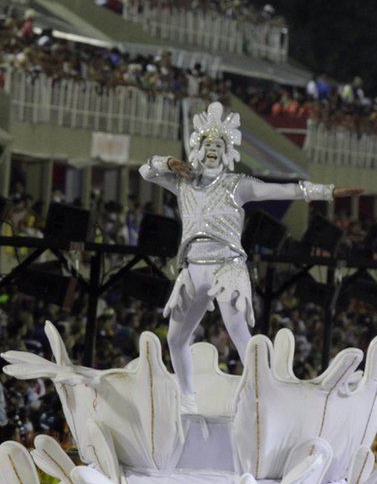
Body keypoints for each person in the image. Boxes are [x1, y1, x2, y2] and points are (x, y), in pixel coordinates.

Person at [139, 102, 362, 412]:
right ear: (198, 149)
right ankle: (187, 400)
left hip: (226, 269)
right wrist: (169, 162)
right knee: (176, 339)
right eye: (208, 144)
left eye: (219, 144)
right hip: (191, 270)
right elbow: (145, 171)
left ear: (227, 151)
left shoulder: (237, 185)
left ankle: (262, 400)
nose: (213, 149)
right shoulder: (183, 183)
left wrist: (329, 192)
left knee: (239, 335)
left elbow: (285, 191)